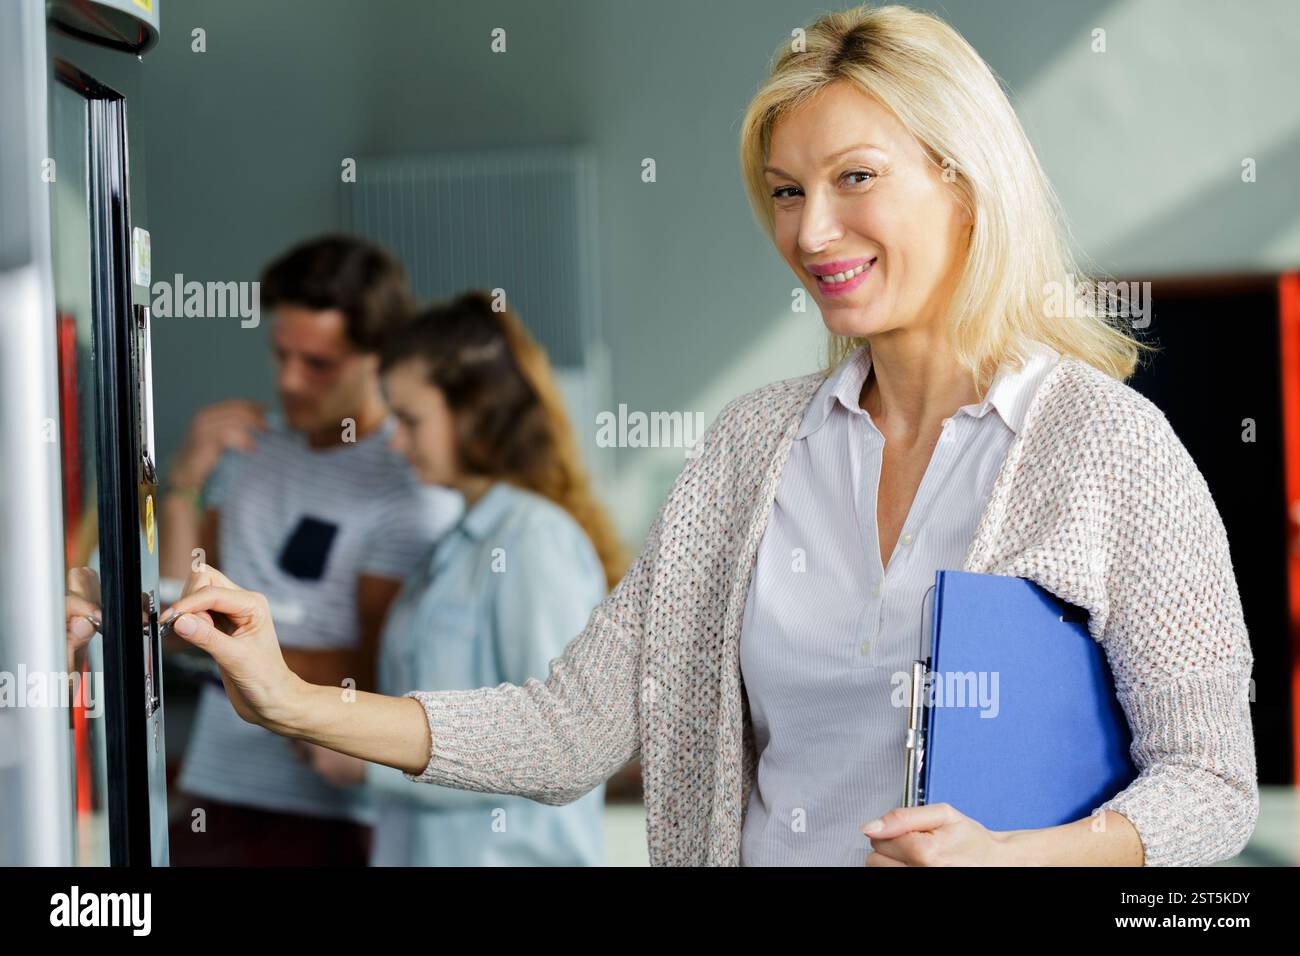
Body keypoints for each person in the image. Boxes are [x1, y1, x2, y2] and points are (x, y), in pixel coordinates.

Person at [158, 4, 1258, 867]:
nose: (810, 231)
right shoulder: (751, 449)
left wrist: (1021, 857)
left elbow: (1209, 783)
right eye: (784, 191)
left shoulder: (1108, 447)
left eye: (853, 178)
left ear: (963, 183)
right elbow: (567, 726)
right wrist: (293, 696)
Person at [157, 235, 461, 865]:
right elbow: (177, 602)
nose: (289, 381)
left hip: (326, 815)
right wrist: (183, 484)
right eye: (281, 356)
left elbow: (378, 670)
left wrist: (211, 641)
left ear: (380, 359)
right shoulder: (251, 454)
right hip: (214, 791)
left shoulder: (411, 490)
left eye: (318, 364)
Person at [298, 291, 625, 865]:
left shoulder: (533, 541)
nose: (394, 440)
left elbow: (555, 743)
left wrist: (366, 759)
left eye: (409, 419)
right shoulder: (455, 546)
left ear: (474, 410)